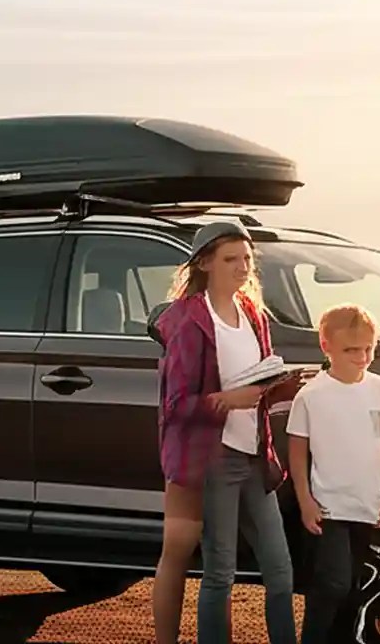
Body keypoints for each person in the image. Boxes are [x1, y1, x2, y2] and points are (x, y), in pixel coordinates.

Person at [149, 219, 302, 644]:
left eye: (247, 259)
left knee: (280, 571)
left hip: (255, 456)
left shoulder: (254, 315)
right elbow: (176, 406)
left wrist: (281, 387)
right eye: (231, 258)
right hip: (213, 460)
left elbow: (258, 384)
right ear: (205, 264)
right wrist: (224, 401)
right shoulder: (188, 321)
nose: (242, 266)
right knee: (220, 573)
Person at [286, 303, 380, 644]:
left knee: (353, 589)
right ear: (326, 345)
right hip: (328, 508)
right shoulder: (311, 396)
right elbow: (297, 455)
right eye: (351, 350)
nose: (361, 356)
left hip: (366, 507)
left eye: (368, 349)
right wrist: (305, 501)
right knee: (332, 583)